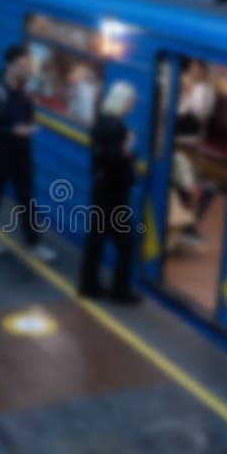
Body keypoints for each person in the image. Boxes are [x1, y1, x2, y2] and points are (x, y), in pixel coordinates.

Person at [0, 46, 57, 263]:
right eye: (24, 65)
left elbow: (29, 118)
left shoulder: (25, 92)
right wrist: (13, 130)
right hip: (2, 153)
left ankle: (34, 242)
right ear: (11, 65)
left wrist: (30, 123)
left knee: (27, 199)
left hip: (22, 154)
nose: (27, 69)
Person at [79, 82, 143, 305]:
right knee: (127, 244)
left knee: (96, 240)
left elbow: (100, 157)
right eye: (132, 100)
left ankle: (88, 284)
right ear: (124, 101)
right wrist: (128, 148)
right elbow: (115, 160)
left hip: (100, 190)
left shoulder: (100, 122)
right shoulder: (118, 128)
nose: (133, 104)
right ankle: (120, 290)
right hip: (115, 194)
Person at [171, 150, 217, 247]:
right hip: (176, 185)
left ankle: (189, 226)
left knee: (211, 188)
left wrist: (192, 184)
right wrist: (190, 186)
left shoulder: (179, 156)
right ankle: (185, 227)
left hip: (184, 181)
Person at [176, 60, 216, 136]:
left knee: (171, 121)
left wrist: (190, 94)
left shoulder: (205, 89)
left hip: (196, 125)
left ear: (202, 71)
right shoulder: (193, 85)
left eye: (195, 69)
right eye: (191, 68)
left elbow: (200, 114)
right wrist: (182, 93)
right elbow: (181, 107)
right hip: (185, 119)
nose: (192, 72)